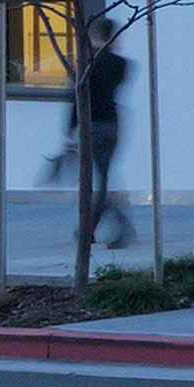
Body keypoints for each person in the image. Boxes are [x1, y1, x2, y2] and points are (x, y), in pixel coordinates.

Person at [60, 22, 132, 284]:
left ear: (95, 37)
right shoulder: (122, 65)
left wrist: (69, 131)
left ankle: (96, 227)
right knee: (102, 177)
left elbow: (75, 97)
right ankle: (90, 228)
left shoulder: (88, 65)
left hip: (91, 126)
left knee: (94, 180)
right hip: (113, 123)